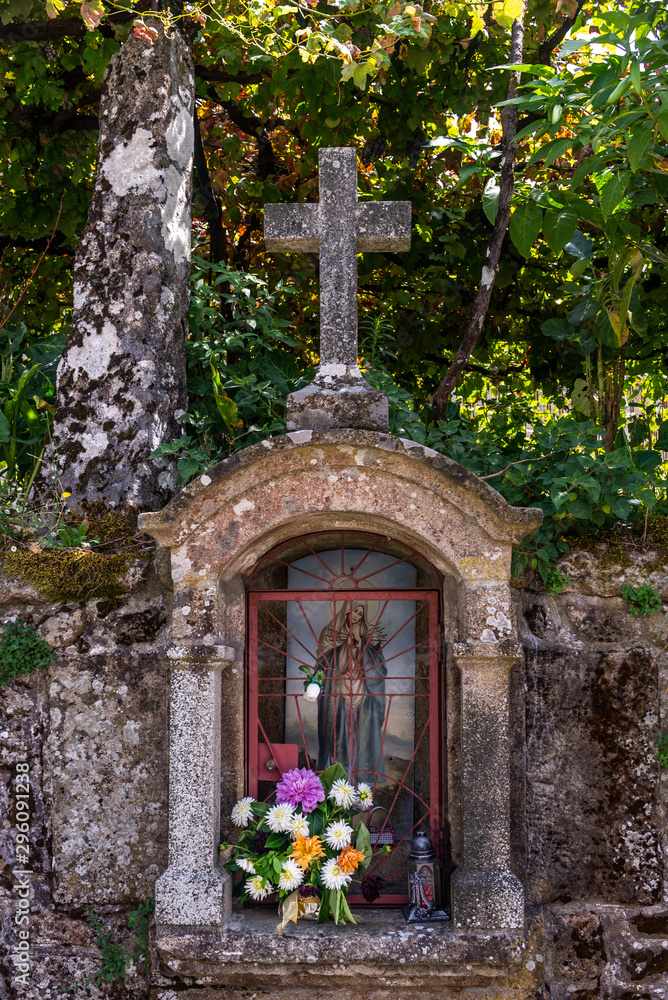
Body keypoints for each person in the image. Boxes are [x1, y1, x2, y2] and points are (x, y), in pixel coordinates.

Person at [315, 600, 387, 781]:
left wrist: (361, 642)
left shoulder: (370, 636)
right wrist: (345, 646)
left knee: (358, 738)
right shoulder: (330, 634)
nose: (356, 616)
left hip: (361, 694)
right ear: (346, 611)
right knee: (337, 736)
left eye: (360, 614)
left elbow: (379, 669)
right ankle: (338, 783)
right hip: (338, 693)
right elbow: (322, 663)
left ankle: (358, 785)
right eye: (354, 611)